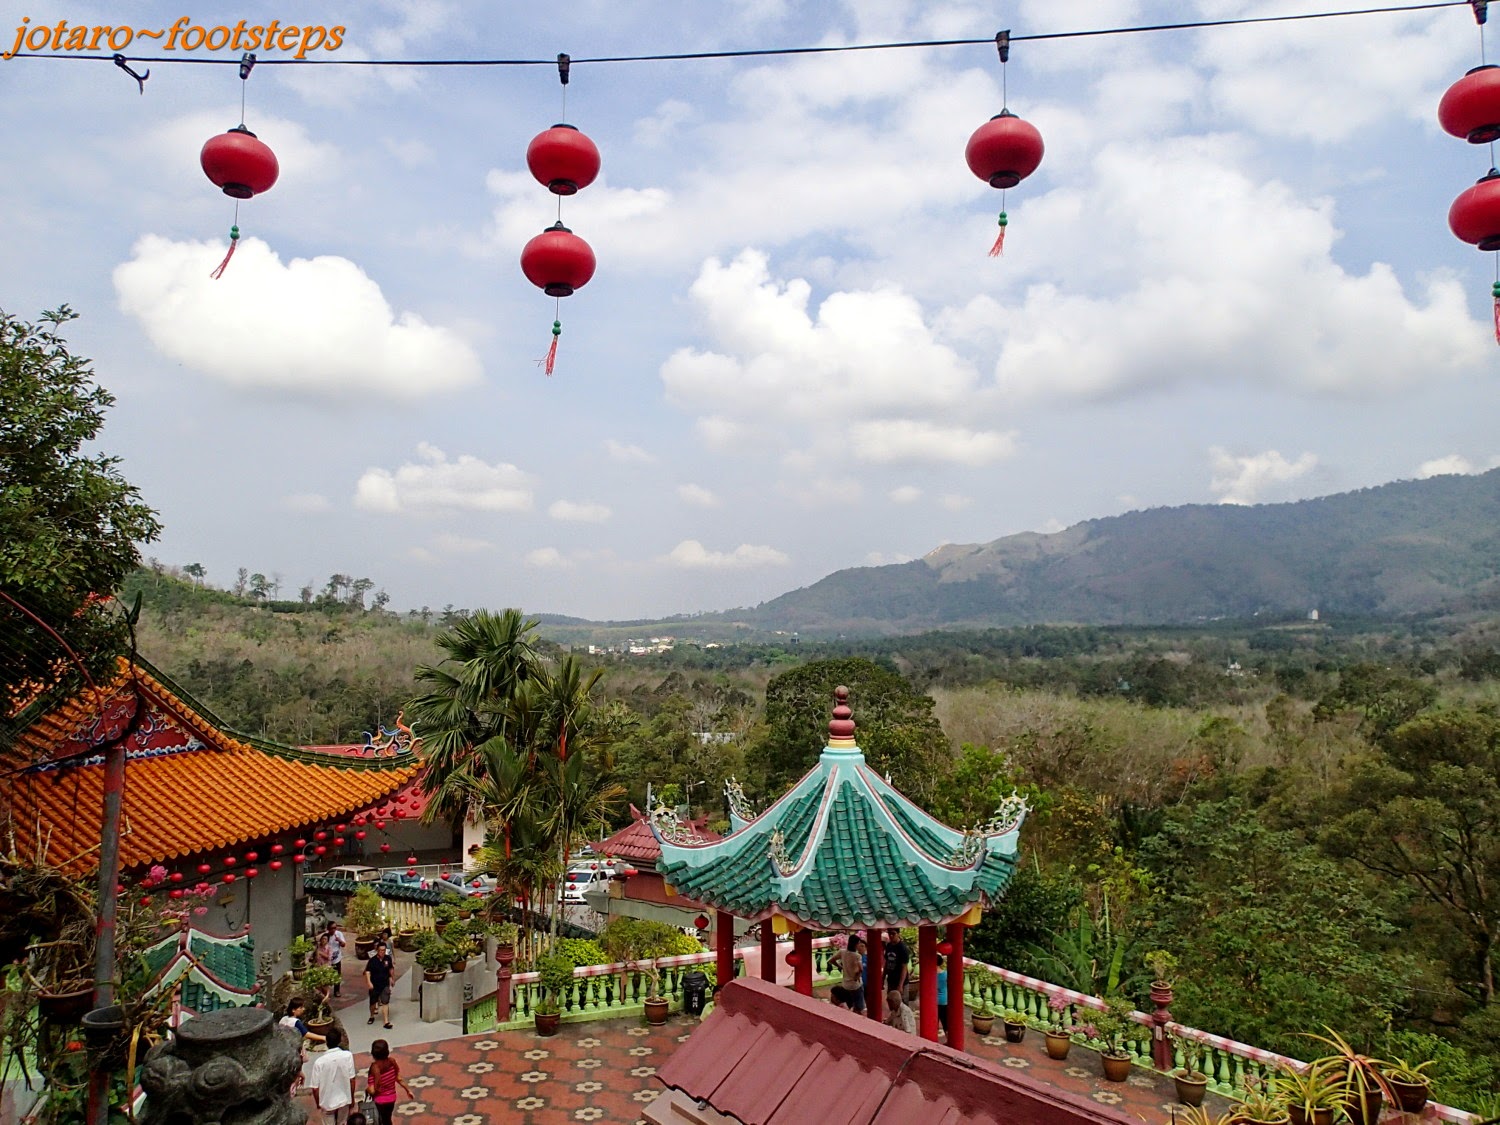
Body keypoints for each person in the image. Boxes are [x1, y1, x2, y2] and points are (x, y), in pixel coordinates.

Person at [308, 1027, 357, 1124]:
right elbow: (352, 1079)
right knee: (343, 1122)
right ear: (339, 1041)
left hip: (327, 1103)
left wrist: (319, 1104)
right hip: (344, 1100)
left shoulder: (319, 1062)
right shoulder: (347, 1056)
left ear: (326, 1043)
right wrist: (351, 1099)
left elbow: (315, 1088)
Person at [364, 1039, 414, 1125]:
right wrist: (408, 1090)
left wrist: (367, 1090)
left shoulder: (374, 1068)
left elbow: (374, 1089)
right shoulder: (392, 1061)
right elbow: (398, 1078)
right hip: (392, 1098)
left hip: (380, 1100)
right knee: (387, 1118)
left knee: (381, 1120)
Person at [364, 938, 395, 1029]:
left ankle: (386, 1021)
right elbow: (367, 972)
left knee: (385, 1002)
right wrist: (369, 982)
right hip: (374, 985)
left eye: (384, 950)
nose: (382, 952)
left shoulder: (387, 958)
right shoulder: (372, 961)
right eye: (380, 950)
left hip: (384, 984)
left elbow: (390, 969)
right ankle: (372, 1016)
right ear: (377, 950)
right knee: (373, 1003)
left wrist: (392, 979)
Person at [830, 935, 866, 1012]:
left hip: (845, 985)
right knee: (859, 1008)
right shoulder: (857, 956)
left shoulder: (842, 952)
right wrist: (857, 977)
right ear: (856, 944)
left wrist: (841, 967)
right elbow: (861, 969)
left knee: (848, 1006)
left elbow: (831, 960)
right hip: (856, 985)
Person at [883, 931, 910, 996]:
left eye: (893, 934)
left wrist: (900, 985)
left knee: (902, 1003)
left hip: (901, 982)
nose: (891, 936)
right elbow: (886, 962)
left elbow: (904, 967)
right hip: (891, 980)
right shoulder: (889, 946)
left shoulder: (903, 948)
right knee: (891, 1001)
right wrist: (883, 978)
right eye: (890, 934)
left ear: (898, 934)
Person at [325, 920, 347, 998]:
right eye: (332, 928)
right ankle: (325, 991)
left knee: (337, 975)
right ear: (328, 929)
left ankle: (337, 990)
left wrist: (339, 940)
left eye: (335, 928)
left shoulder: (339, 934)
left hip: (337, 958)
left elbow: (344, 944)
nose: (333, 930)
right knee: (326, 976)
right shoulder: (326, 936)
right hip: (327, 960)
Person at [935, 954, 949, 1031]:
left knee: (933, 1023)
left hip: (934, 1001)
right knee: (945, 1023)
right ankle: (949, 1041)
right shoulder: (945, 974)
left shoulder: (931, 975)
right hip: (944, 1001)